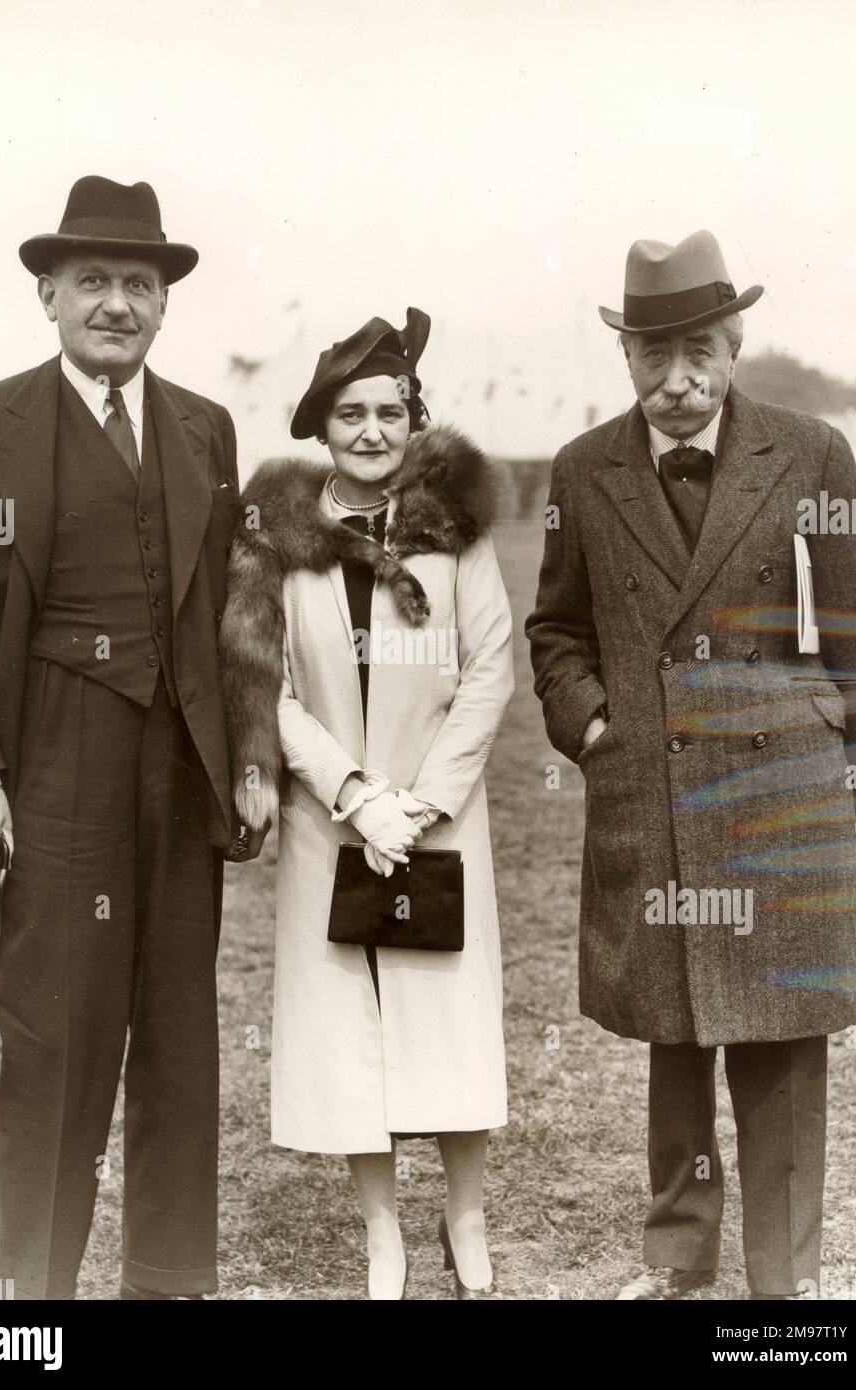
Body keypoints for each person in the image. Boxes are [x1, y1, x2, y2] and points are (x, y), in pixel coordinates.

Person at [526, 230, 856, 1300]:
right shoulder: (579, 470)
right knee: (673, 1027)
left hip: (777, 790)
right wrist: (592, 726)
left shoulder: (811, 451)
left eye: (697, 352)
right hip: (647, 786)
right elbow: (554, 630)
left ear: (733, 347)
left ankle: (782, 1282)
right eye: (652, 356)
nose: (675, 380)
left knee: (780, 1034)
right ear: (625, 359)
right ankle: (677, 1257)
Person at [0, 176, 258, 1301]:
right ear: (48, 293)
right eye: (95, 281)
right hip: (50, 762)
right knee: (57, 1044)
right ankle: (35, 1301)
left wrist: (246, 755)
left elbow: (231, 616)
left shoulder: (207, 426)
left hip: (181, 765)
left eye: (140, 285)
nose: (118, 303)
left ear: (164, 306)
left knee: (176, 1040)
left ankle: (166, 1282)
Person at [220, 309, 514, 1299]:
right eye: (350, 413)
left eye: (391, 412)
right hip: (329, 819)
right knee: (349, 1035)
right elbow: (266, 685)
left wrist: (422, 803)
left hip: (438, 815)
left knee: (448, 1021)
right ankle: (382, 1234)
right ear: (320, 426)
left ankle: (465, 1220)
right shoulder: (275, 543)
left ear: (413, 420)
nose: (373, 431)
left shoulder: (455, 535)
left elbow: (488, 672)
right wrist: (352, 795)